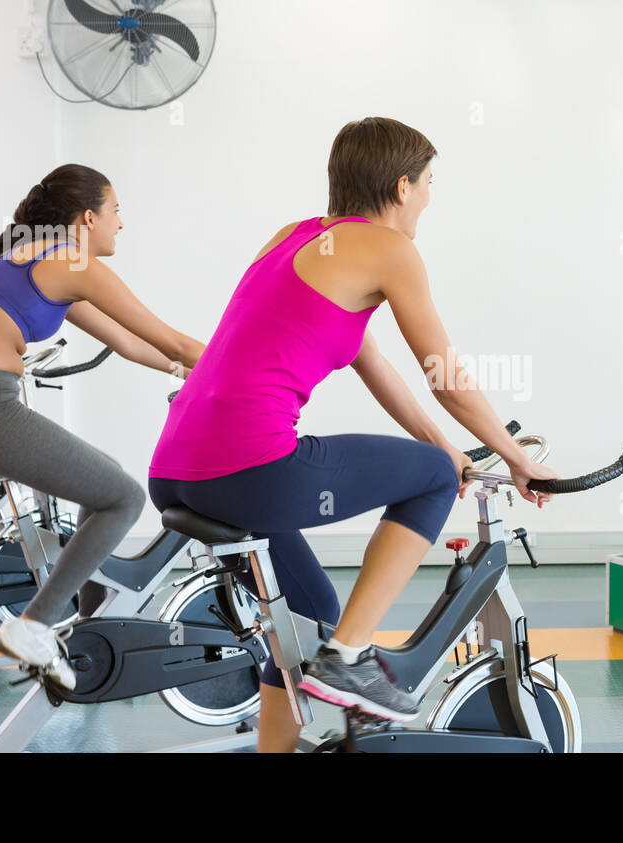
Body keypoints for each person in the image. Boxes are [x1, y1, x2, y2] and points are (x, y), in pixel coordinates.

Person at [147, 116, 558, 752]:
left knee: (305, 620)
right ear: (402, 186)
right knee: (431, 479)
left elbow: (375, 364)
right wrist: (514, 459)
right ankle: (349, 657)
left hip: (176, 470)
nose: (429, 197)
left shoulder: (297, 238)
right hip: (248, 470)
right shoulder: (391, 250)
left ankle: (312, 684)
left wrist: (444, 444)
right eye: (428, 183)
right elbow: (445, 378)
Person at [0, 163, 205, 689]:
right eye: (116, 210)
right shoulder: (70, 260)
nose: (121, 223)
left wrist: (187, 373)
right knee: (123, 498)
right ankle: (34, 626)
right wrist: (239, 373)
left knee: (105, 483)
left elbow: (132, 344)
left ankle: (89, 626)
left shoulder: (41, 259)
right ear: (88, 218)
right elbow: (175, 340)